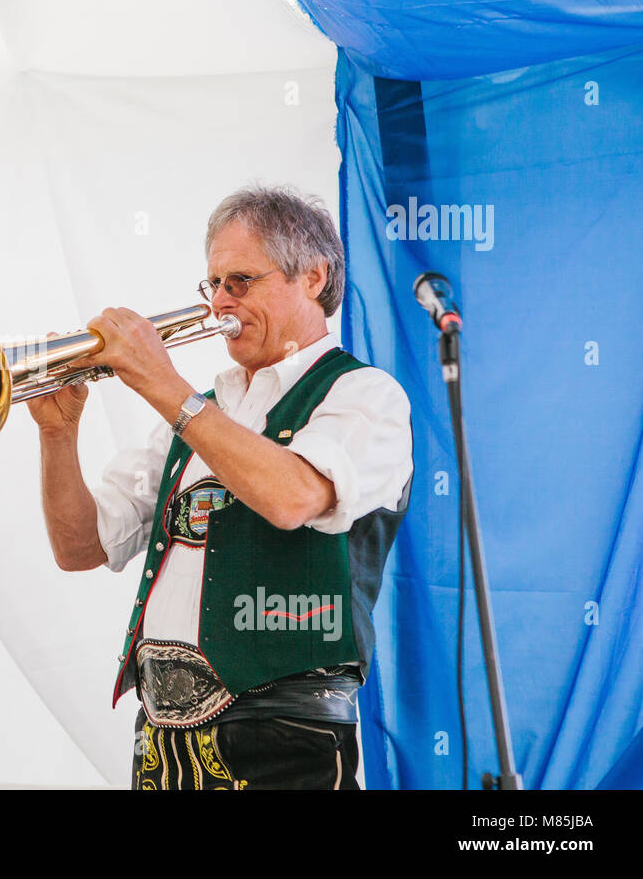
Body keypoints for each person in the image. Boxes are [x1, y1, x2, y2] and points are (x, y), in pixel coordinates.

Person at [28, 186, 413, 790]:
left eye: (241, 282)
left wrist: (163, 385)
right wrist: (59, 435)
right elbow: (81, 548)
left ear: (312, 277)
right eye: (214, 285)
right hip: (161, 740)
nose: (220, 305)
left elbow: (292, 499)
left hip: (286, 735)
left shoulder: (365, 395)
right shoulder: (203, 411)